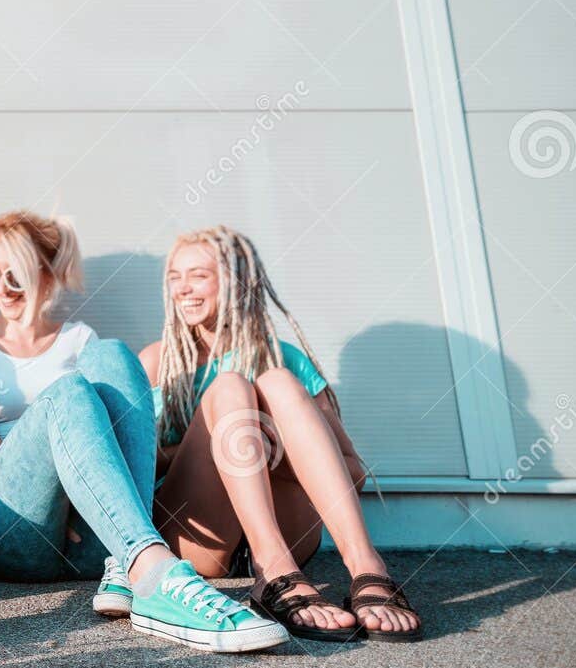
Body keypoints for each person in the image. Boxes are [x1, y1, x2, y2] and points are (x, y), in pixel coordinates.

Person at [0, 210, 287, 652]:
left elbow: (113, 444)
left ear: (47, 276)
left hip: (92, 539)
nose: (1, 287)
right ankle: (155, 568)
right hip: (6, 522)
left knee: (113, 354)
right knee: (68, 393)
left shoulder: (79, 340)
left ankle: (131, 568)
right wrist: (68, 478)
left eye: (16, 274)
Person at [140, 226, 422, 641]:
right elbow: (134, 469)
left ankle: (366, 565)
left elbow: (353, 473)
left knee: (276, 382)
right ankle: (272, 571)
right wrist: (230, 443)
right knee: (230, 388)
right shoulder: (157, 362)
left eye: (198, 275)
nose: (184, 289)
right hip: (201, 540)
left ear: (236, 281)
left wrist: (277, 455)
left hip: (292, 534)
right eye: (175, 277)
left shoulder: (283, 356)